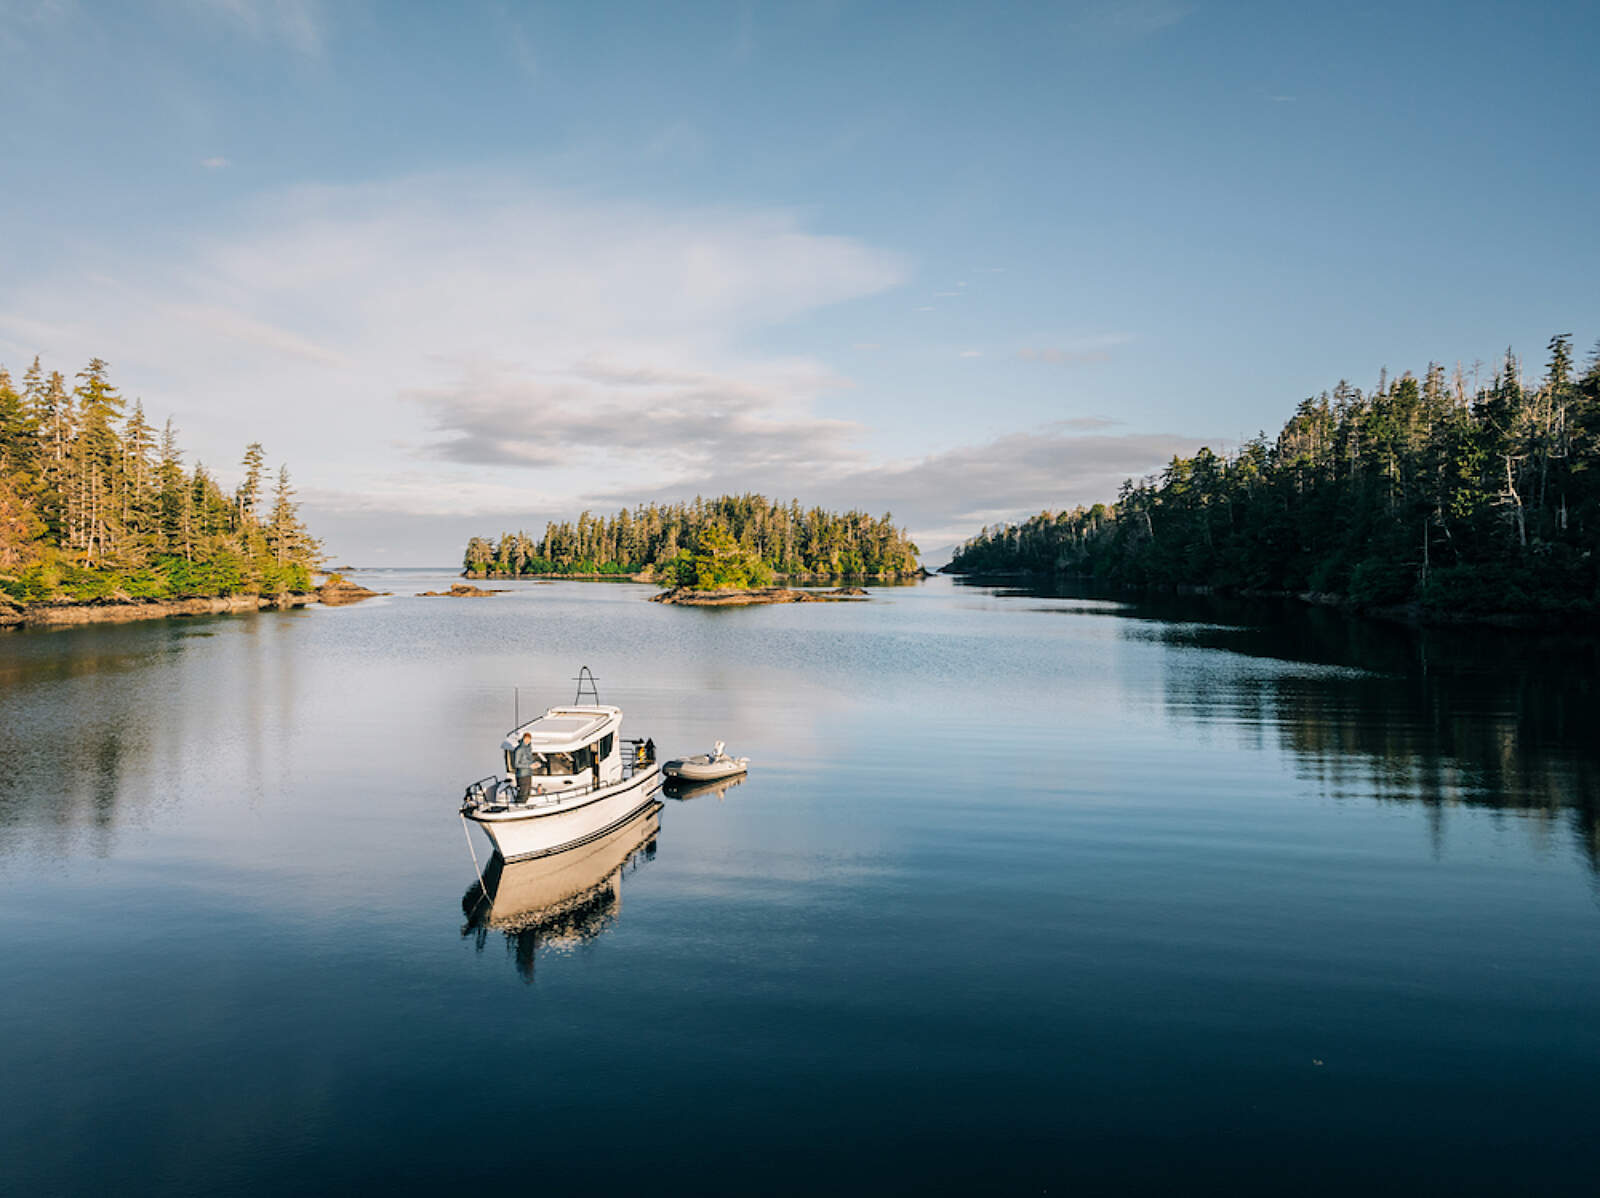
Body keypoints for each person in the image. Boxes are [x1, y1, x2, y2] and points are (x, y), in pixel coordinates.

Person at [512, 732, 535, 801]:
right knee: (523, 793)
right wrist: (529, 766)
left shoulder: (529, 748)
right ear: (523, 739)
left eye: (529, 739)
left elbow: (528, 760)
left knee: (528, 793)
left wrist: (535, 764)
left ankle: (523, 806)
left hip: (528, 774)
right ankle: (518, 807)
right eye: (526, 739)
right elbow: (516, 764)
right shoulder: (519, 749)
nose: (527, 741)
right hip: (522, 775)